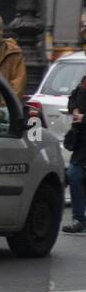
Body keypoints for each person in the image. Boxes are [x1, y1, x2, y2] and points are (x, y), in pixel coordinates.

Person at [64, 74, 86, 234]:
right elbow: (72, 102)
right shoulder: (79, 90)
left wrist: (83, 118)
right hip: (81, 145)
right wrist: (75, 109)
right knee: (74, 176)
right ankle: (78, 219)